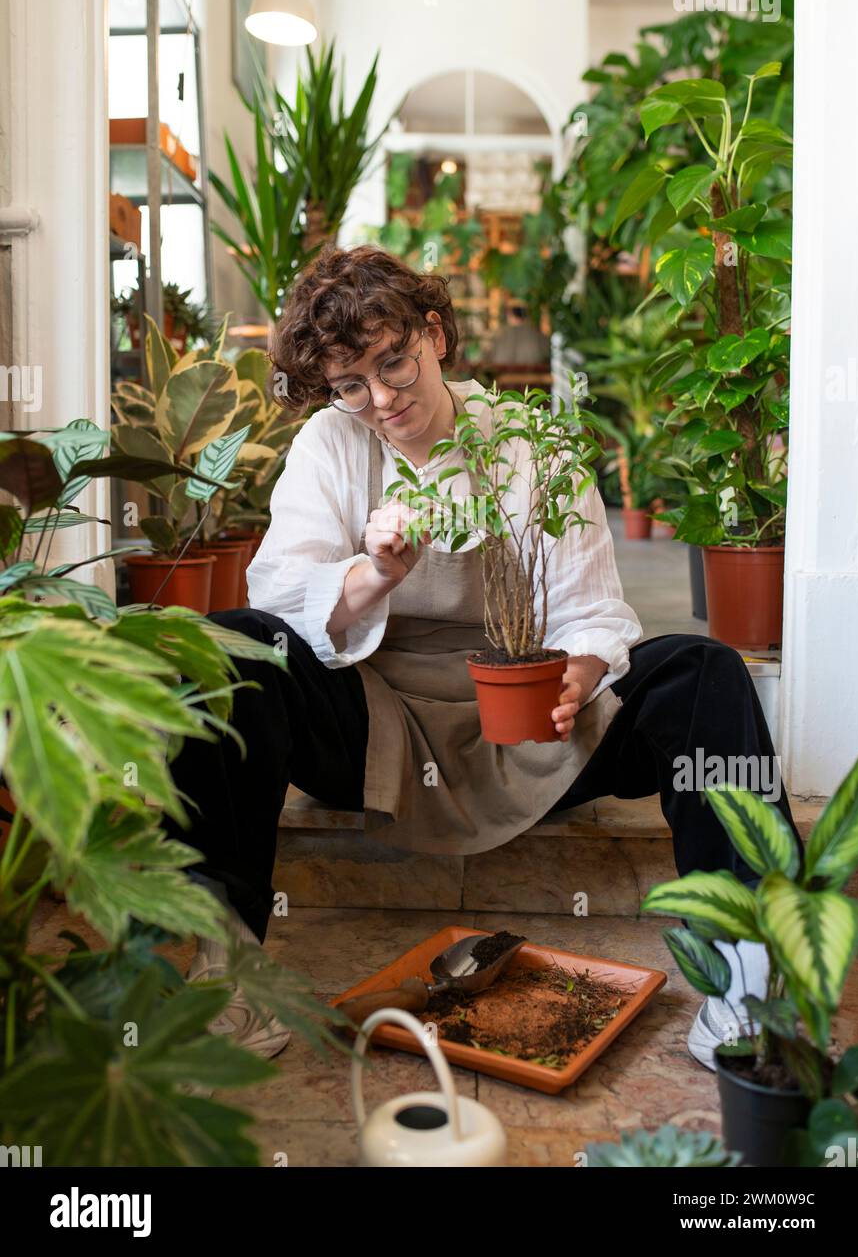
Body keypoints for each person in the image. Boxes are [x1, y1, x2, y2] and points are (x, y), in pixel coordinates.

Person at [166, 244, 805, 1068]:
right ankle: (224, 975)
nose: (382, 400)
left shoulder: (528, 443)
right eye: (351, 384)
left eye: (393, 364)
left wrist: (579, 672)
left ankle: (746, 977)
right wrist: (371, 575)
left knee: (701, 671)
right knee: (236, 648)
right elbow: (281, 596)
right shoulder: (331, 445)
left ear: (433, 333)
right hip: (378, 730)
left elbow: (590, 610)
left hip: (532, 725)